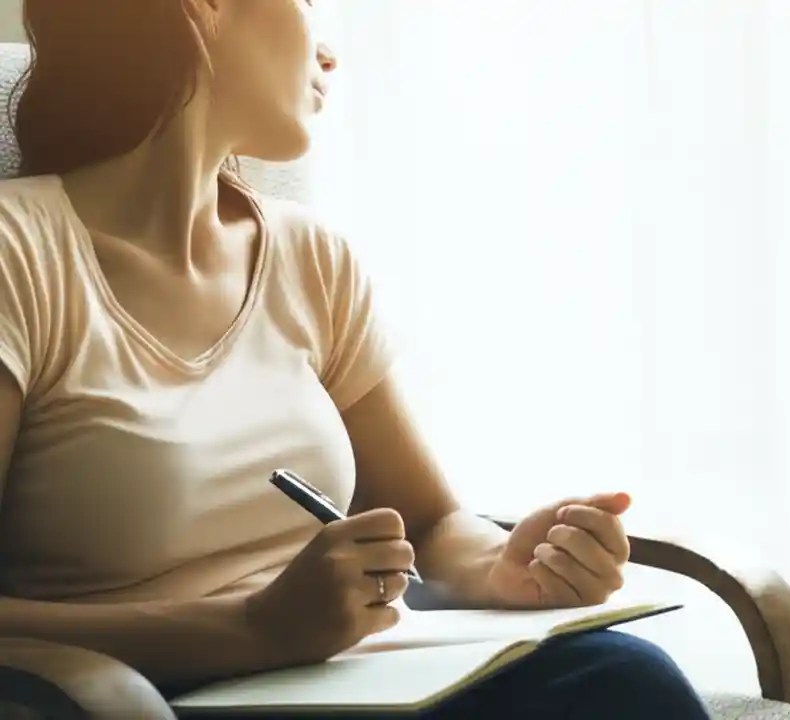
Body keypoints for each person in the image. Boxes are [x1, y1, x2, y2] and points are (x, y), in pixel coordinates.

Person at [0, 1, 712, 718]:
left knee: (623, 680)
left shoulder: (311, 258)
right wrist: (251, 628)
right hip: (142, 699)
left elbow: (432, 524)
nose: (330, 53)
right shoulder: (18, 256)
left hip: (361, 680)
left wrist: (499, 566)